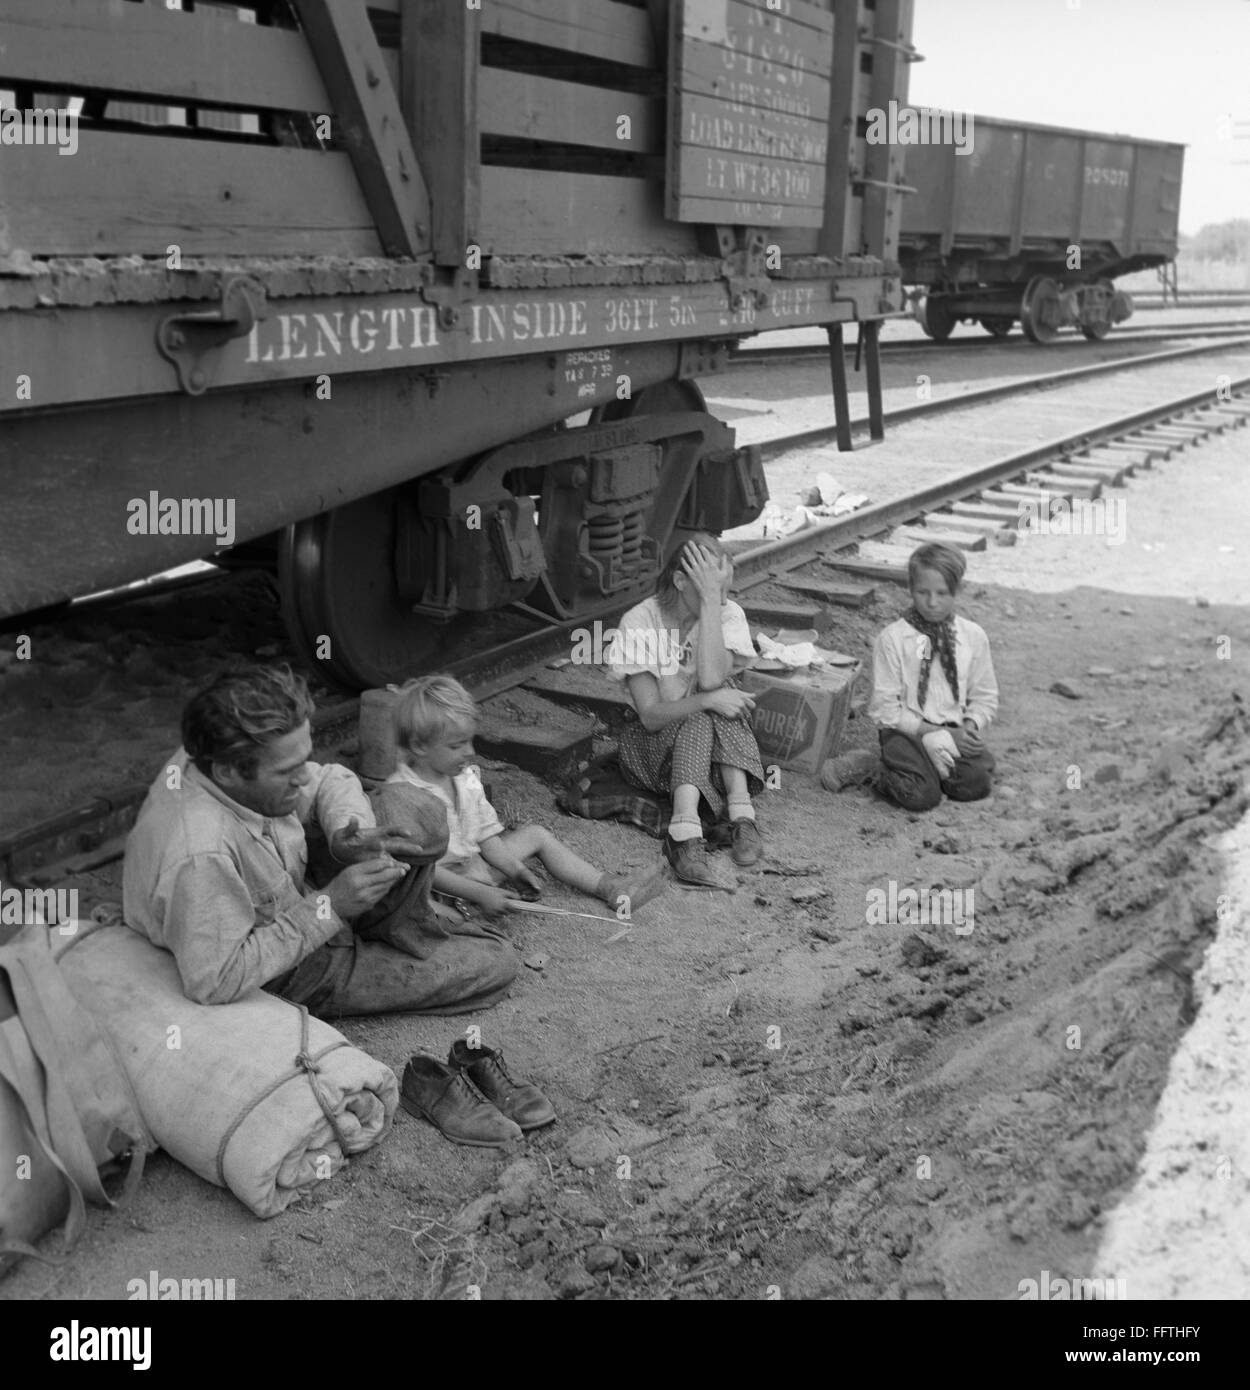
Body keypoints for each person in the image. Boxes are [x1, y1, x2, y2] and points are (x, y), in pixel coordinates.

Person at [122, 665, 517, 1017]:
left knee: (416, 810)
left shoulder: (220, 755)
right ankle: (373, 946)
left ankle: (389, 928)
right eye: (287, 772)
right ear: (228, 773)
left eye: (302, 760)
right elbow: (216, 980)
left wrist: (351, 832)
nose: (302, 778)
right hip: (284, 967)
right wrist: (330, 907)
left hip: (302, 894)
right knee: (495, 960)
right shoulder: (200, 852)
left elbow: (329, 778)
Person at [383, 675, 669, 920]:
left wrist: (515, 869)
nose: (469, 751)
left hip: (473, 869)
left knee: (535, 835)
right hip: (434, 885)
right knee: (424, 910)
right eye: (456, 745)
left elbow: (486, 836)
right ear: (419, 746)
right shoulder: (403, 795)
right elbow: (424, 870)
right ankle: (462, 912)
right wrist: (481, 892)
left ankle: (609, 887)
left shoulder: (463, 777)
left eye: (470, 741)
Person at [604, 534, 766, 888]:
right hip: (652, 750)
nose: (722, 601)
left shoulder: (726, 613)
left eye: (723, 591)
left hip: (710, 761)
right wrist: (707, 700)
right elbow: (649, 715)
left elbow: (710, 678)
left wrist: (710, 605)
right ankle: (684, 836)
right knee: (706, 708)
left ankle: (740, 817)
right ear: (680, 581)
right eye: (711, 591)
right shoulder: (640, 621)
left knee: (724, 695)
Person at [869, 542, 999, 812]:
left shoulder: (972, 636)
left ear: (957, 590)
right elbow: (884, 709)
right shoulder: (893, 638)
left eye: (942, 593)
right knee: (921, 797)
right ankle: (875, 769)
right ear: (910, 589)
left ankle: (930, 768)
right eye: (922, 592)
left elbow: (985, 697)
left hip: (952, 728)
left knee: (976, 785)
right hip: (905, 732)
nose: (932, 602)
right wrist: (935, 733)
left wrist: (969, 728)